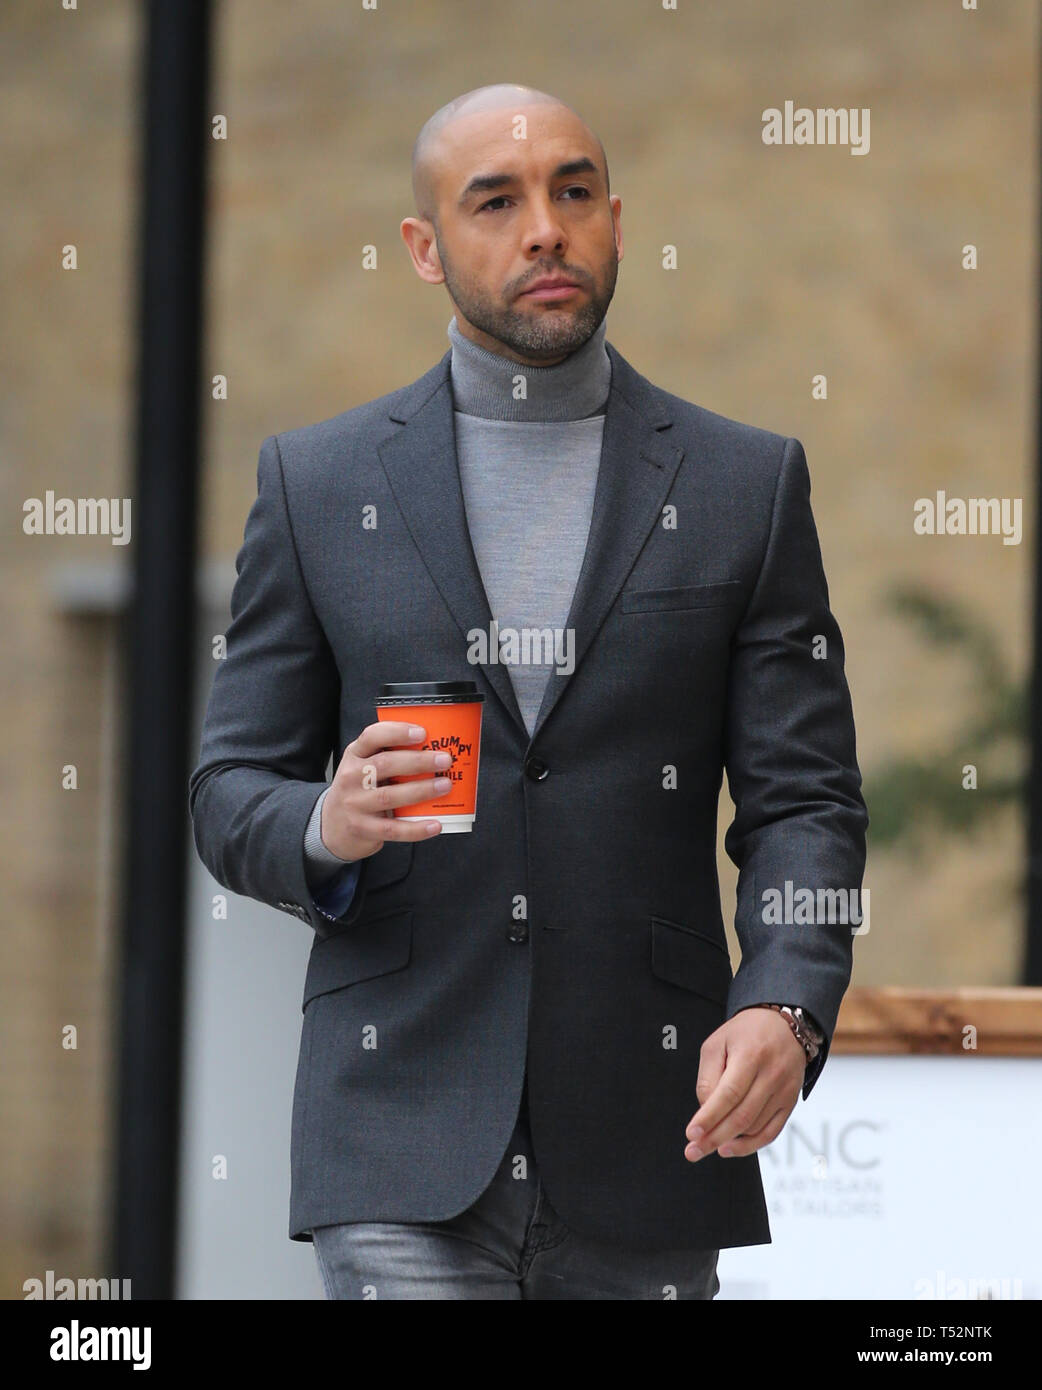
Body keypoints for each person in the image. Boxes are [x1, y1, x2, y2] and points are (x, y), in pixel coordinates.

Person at [189, 83, 869, 1300]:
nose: (543, 228)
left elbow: (805, 802)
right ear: (424, 247)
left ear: (614, 217)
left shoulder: (743, 485)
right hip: (396, 1130)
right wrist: (321, 823)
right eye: (494, 201)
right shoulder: (314, 481)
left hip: (655, 1128)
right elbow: (226, 787)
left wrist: (787, 1002)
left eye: (570, 192)